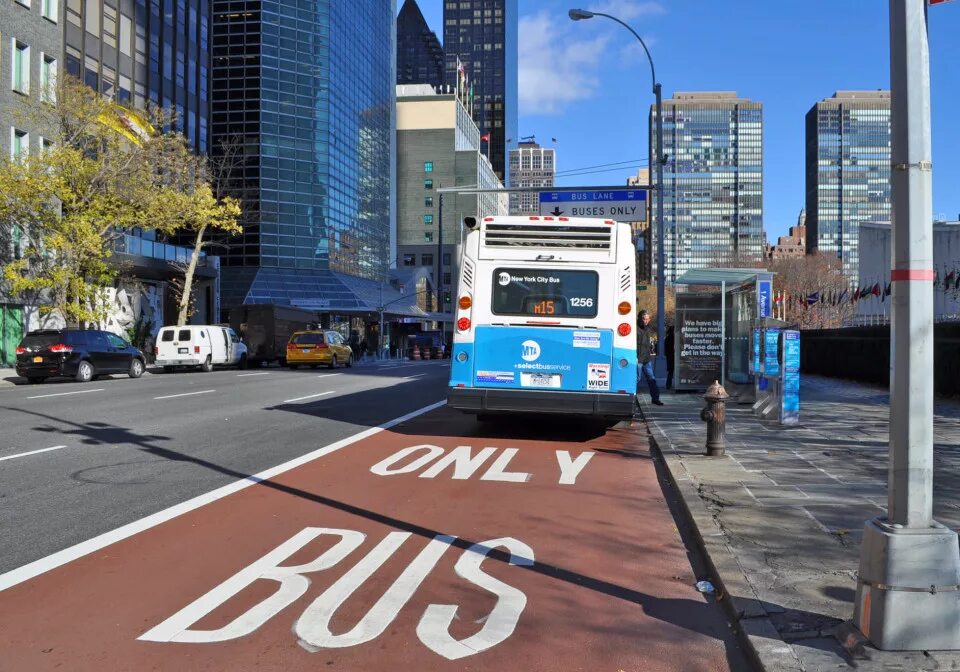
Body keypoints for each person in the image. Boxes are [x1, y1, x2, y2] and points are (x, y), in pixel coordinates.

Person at [637, 310, 663, 405]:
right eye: (644, 319)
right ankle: (632, 398)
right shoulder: (635, 329)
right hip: (638, 359)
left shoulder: (648, 329)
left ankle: (655, 399)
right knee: (636, 379)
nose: (646, 321)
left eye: (647, 319)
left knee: (652, 379)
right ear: (640, 318)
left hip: (647, 359)